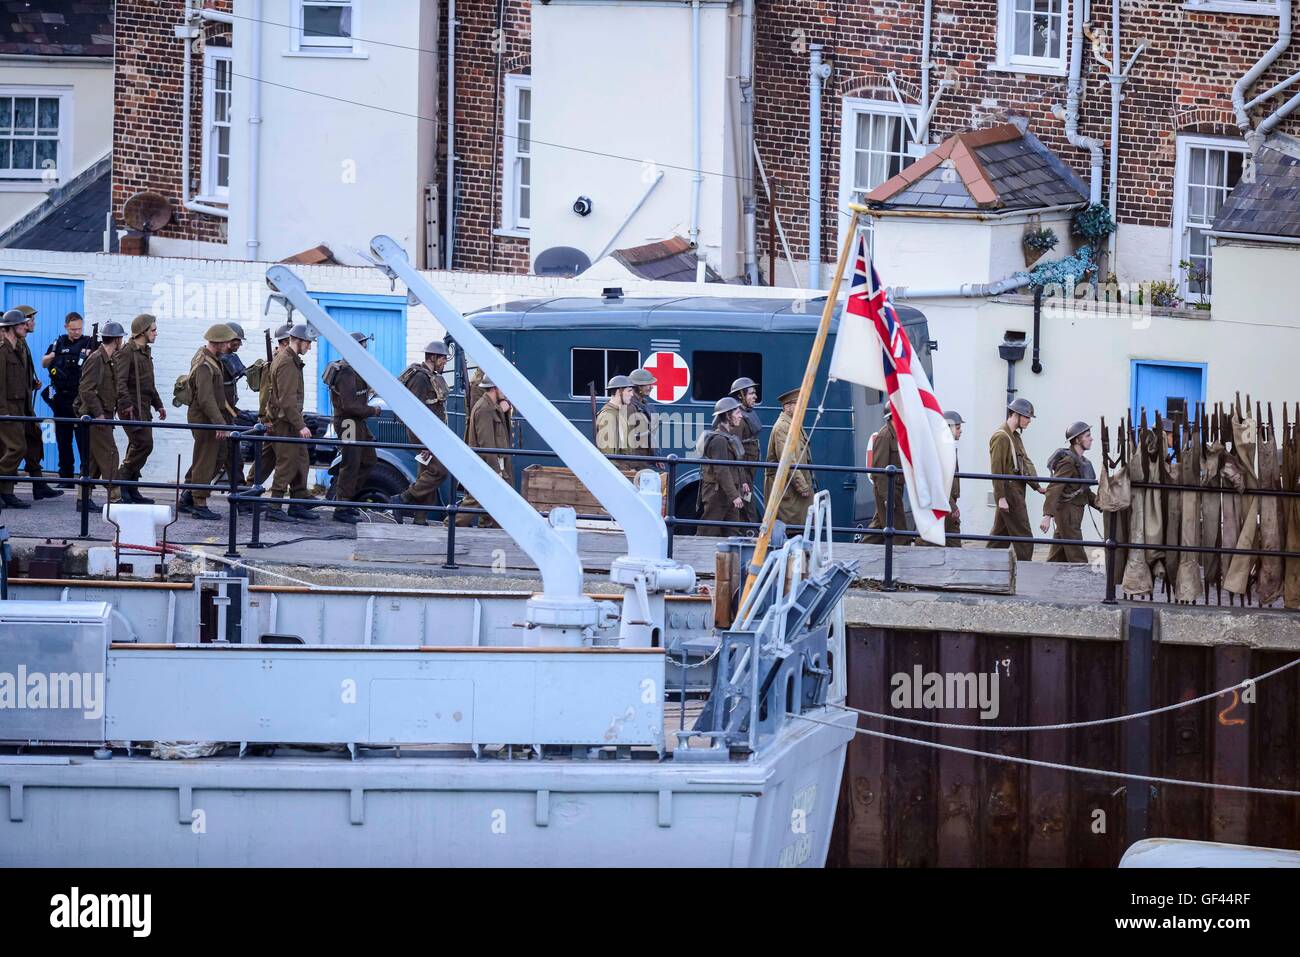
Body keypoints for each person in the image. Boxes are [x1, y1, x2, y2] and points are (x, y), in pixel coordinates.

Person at [392, 340, 451, 525]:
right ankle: (401, 499)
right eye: (442, 358)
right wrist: (423, 443)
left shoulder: (431, 376)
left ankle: (420, 518)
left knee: (425, 477)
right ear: (432, 357)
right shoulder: (420, 378)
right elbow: (411, 413)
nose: (444, 362)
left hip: (431, 437)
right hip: (424, 438)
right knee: (439, 471)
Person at [324, 331, 380, 524]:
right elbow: (349, 405)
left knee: (368, 460)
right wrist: (373, 410)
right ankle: (342, 506)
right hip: (348, 422)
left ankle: (346, 501)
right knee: (351, 463)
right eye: (362, 345)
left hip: (357, 422)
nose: (365, 349)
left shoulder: (355, 368)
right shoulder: (346, 371)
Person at [184, 324, 238, 521]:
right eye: (225, 342)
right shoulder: (205, 365)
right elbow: (206, 399)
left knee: (217, 457)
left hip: (212, 418)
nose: (228, 345)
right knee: (205, 459)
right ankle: (199, 503)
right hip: (205, 419)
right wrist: (219, 424)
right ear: (217, 342)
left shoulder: (213, 360)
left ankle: (189, 495)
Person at [265, 323, 319, 522]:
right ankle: (274, 506)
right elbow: (287, 400)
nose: (309, 347)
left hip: (290, 420)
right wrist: (300, 425)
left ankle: (298, 502)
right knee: (286, 463)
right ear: (298, 341)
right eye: (308, 343)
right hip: (286, 422)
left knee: (301, 460)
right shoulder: (287, 362)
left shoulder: (290, 359)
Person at [73, 320, 126, 510]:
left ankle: (83, 499)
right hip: (96, 418)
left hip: (101, 416)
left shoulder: (108, 358)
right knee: (110, 455)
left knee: (93, 461)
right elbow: (86, 390)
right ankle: (116, 499)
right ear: (117, 339)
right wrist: (100, 415)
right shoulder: (97, 359)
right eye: (121, 338)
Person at [115, 314, 165, 504]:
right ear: (142, 331)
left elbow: (149, 383)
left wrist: (158, 404)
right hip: (131, 408)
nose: (156, 333)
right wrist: (126, 404)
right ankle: (122, 478)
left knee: (135, 446)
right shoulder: (128, 351)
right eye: (153, 330)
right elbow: (120, 382)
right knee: (144, 444)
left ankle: (131, 490)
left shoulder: (145, 352)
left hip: (144, 408)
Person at [42, 311, 96, 487]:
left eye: (79, 328)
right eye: (73, 329)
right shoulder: (58, 343)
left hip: (80, 400)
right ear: (66, 327)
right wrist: (49, 358)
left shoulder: (89, 342)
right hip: (61, 398)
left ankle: (86, 477)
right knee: (63, 440)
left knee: (83, 440)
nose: (77, 332)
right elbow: (44, 363)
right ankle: (65, 477)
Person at [12, 305, 61, 499]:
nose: (33, 323)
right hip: (13, 406)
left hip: (25, 404)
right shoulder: (12, 344)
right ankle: (5, 491)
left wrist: (32, 382)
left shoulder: (22, 343)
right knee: (12, 448)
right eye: (30, 319)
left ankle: (38, 484)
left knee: (33, 439)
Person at [988, 396, 1044, 562]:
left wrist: (1037, 486)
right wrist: (1001, 498)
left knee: (999, 538)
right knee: (1024, 538)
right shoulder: (1002, 437)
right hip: (1010, 494)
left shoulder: (1015, 437)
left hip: (1016, 492)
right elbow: (996, 470)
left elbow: (1024, 464)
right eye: (1027, 417)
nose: (1029, 421)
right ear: (1016, 415)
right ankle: (1026, 574)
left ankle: (988, 569)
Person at [456, 376, 513, 528]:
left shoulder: (491, 406)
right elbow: (486, 443)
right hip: (487, 465)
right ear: (495, 388)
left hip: (492, 464)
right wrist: (496, 471)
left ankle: (486, 527)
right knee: (475, 501)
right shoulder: (484, 409)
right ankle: (449, 527)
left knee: (490, 502)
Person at [1041, 420, 1098, 563]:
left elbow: (1084, 491)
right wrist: (1047, 515)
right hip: (1067, 514)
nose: (1091, 438)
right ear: (1078, 440)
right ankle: (1083, 582)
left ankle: (1045, 581)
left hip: (1072, 514)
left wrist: (1103, 504)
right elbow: (1055, 487)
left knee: (1057, 556)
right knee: (1077, 555)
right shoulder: (1068, 461)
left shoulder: (1081, 461)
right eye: (1087, 436)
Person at [245, 322, 292, 489]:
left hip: (280, 419)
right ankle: (248, 491)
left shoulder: (284, 360)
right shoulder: (272, 364)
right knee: (269, 458)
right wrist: (265, 419)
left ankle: (248, 490)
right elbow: (265, 394)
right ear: (285, 342)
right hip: (272, 419)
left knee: (267, 458)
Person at [764, 387, 816, 530]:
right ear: (788, 407)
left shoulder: (793, 424)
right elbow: (787, 459)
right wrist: (802, 486)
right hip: (788, 491)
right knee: (790, 530)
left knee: (798, 528)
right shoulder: (783, 427)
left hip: (792, 490)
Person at [699, 396, 749, 536]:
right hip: (718, 493)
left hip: (727, 491)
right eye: (737, 413)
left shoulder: (729, 437)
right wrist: (734, 495)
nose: (740, 416)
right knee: (708, 530)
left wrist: (743, 482)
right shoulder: (719, 440)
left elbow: (735, 462)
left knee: (732, 531)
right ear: (727, 415)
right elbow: (721, 470)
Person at [863, 408, 912, 544]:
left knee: (878, 528)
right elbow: (879, 471)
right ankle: (901, 562)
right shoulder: (885, 436)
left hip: (896, 487)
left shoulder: (897, 434)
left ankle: (862, 554)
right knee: (899, 534)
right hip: (888, 489)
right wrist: (887, 496)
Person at [0, 309, 33, 510]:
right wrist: (3, 411)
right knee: (17, 448)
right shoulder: (2, 351)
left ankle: (7, 492)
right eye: (21, 324)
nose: (25, 326)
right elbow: (0, 385)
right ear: (12, 328)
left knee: (18, 448)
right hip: (7, 408)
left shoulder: (17, 349)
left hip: (20, 406)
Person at [731, 377, 762, 525]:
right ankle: (750, 531)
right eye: (751, 393)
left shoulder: (749, 413)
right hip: (744, 472)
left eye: (754, 393)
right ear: (741, 396)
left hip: (750, 470)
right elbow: (737, 450)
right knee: (748, 505)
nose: (755, 396)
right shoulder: (740, 419)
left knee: (747, 501)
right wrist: (742, 479)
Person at [595, 374, 637, 456]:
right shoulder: (608, 415)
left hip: (627, 465)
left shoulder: (620, 411)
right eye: (629, 391)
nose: (632, 394)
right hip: (618, 467)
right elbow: (608, 455)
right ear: (619, 392)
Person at [628, 367, 657, 463]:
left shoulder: (644, 403)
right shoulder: (630, 406)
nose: (651, 387)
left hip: (644, 457)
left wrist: (655, 456)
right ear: (639, 386)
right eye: (648, 385)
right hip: (635, 459)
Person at [943, 410, 963, 547]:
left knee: (954, 545)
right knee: (927, 543)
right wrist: (952, 505)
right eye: (958, 427)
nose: (961, 431)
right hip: (943, 503)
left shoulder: (949, 446)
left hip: (949, 502)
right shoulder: (942, 448)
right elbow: (939, 481)